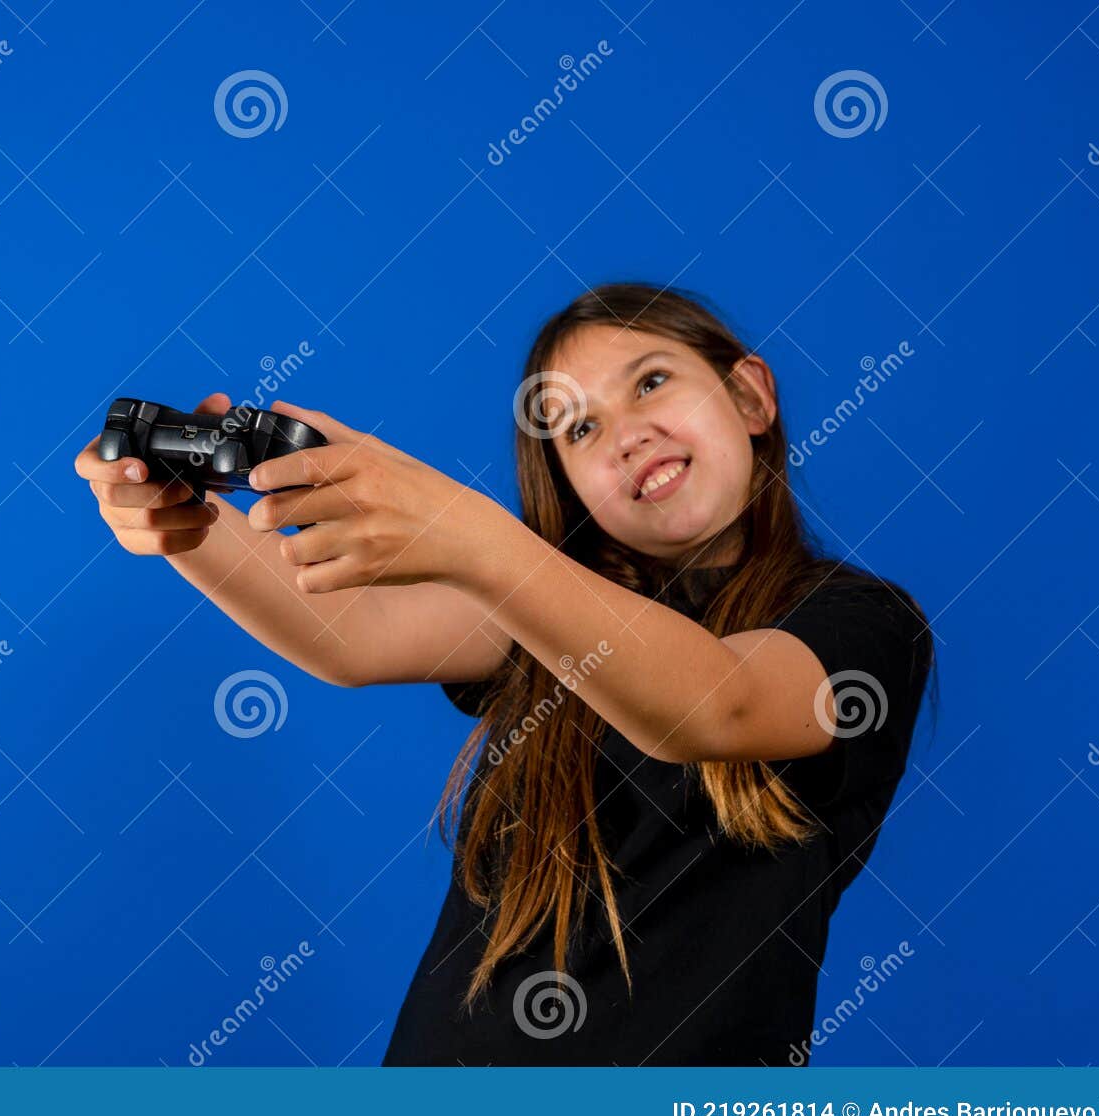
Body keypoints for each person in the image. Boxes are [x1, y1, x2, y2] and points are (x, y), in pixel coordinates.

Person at [74, 283, 936, 1065]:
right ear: (564, 478)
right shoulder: (548, 607)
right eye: (580, 428)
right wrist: (189, 525)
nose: (628, 434)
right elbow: (346, 634)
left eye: (650, 382)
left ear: (751, 395)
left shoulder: (861, 625)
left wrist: (474, 539)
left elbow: (721, 703)